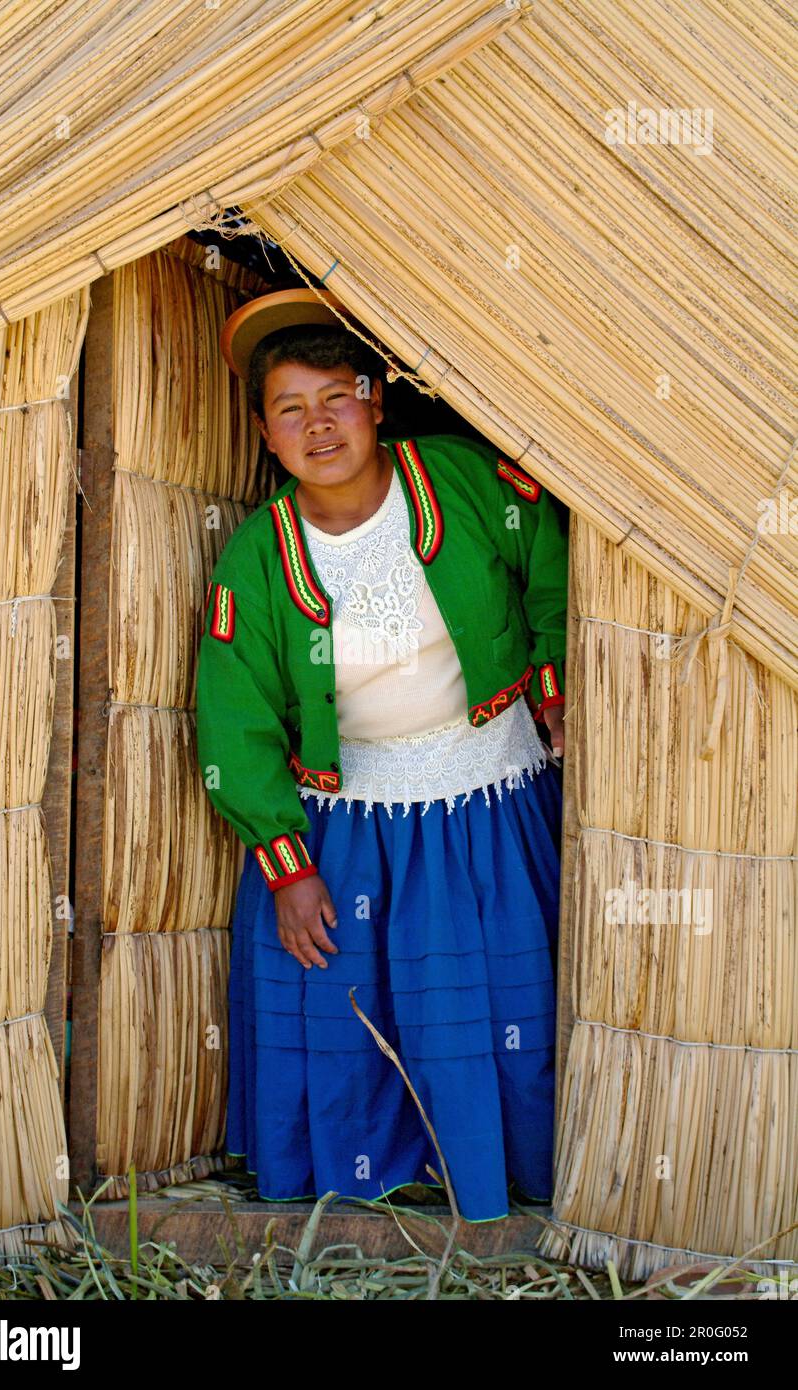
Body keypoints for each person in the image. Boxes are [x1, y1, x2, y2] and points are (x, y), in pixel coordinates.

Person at [195, 288, 568, 1221]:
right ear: (265, 432)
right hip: (349, 816)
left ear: (376, 399)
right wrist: (286, 867)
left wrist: (555, 688)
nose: (318, 426)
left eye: (336, 397)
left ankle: (507, 1173)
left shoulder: (462, 482)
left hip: (490, 791)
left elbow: (551, 571)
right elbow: (231, 722)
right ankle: (375, 1178)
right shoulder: (256, 558)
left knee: (506, 998)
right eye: (291, 409)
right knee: (346, 1002)